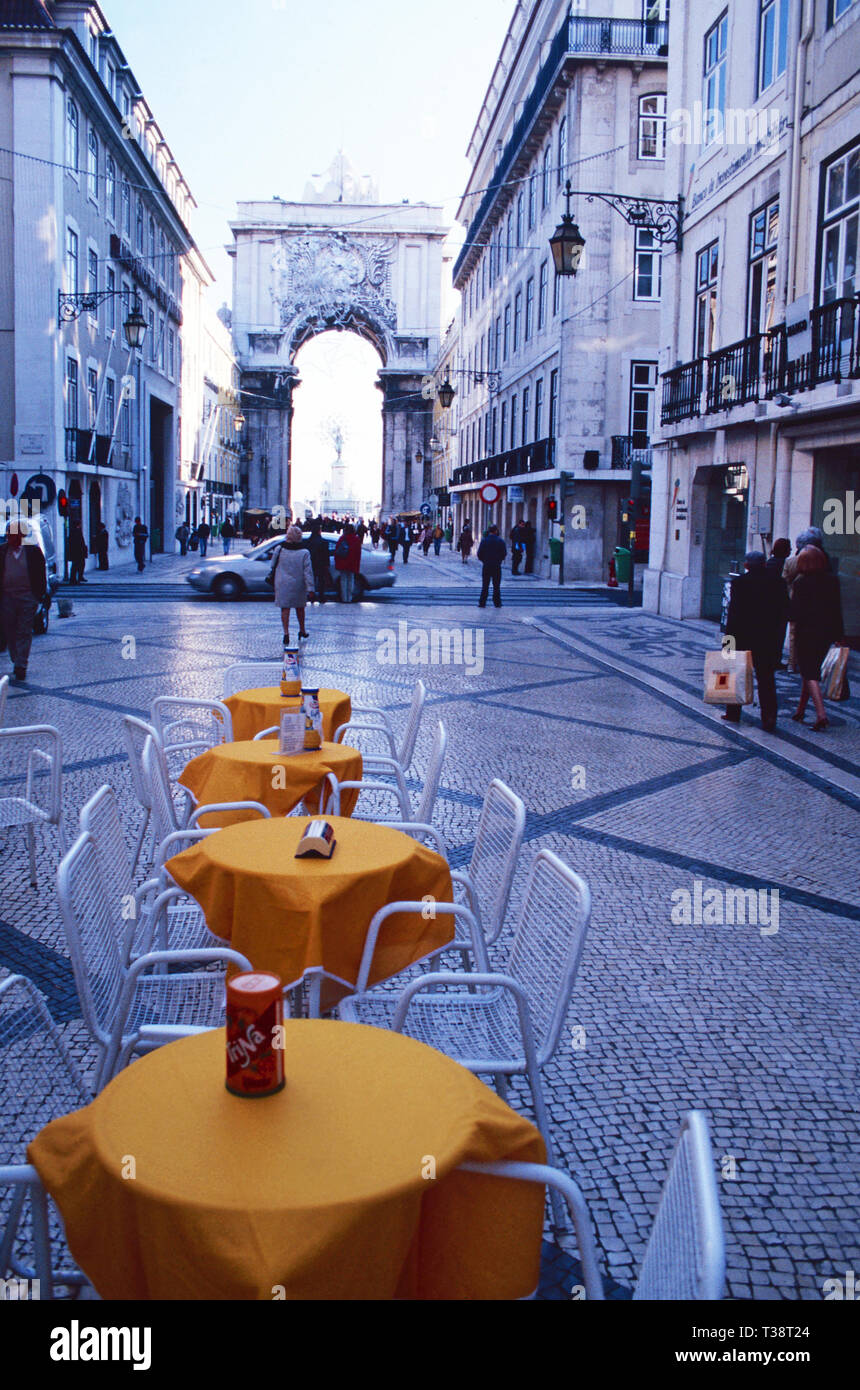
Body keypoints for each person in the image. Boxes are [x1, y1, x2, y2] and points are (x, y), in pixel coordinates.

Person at [724, 551, 789, 732]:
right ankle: (769, 718)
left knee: (737, 675)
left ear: (746, 565)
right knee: (767, 680)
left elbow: (733, 616)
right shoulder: (778, 582)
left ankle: (733, 713)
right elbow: (785, 612)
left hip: (743, 638)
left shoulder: (739, 583)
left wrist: (728, 642)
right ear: (764, 564)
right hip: (768, 640)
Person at [789, 545, 845, 732]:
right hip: (826, 632)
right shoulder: (832, 580)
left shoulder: (800, 582)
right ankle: (800, 710)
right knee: (810, 670)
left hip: (807, 632)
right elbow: (837, 610)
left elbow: (795, 611)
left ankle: (821, 714)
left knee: (809, 672)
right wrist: (839, 636)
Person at [0, 519, 47, 682]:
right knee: (9, 630)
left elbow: (41, 574)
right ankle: (16, 657)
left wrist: (39, 595)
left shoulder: (33, 552)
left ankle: (21, 664)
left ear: (20, 535)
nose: (9, 538)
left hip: (27, 596)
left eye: (12, 535)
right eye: (8, 535)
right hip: (7, 597)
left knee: (24, 630)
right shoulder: (2, 551)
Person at [271, 525, 315, 644]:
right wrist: (310, 588)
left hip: (282, 583)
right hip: (298, 584)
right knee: (300, 608)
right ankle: (302, 630)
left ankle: (286, 633)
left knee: (285, 609)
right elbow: (308, 572)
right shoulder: (304, 552)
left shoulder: (279, 549)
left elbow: (272, 565)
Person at [767, 538, 791, 667]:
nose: (791, 550)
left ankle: (769, 658)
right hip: (780, 605)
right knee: (778, 634)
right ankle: (775, 659)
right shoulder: (784, 564)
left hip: (769, 604)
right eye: (789, 548)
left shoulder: (769, 562)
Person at [477, 524, 507, 609]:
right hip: (496, 566)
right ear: (496, 531)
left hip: (486, 565)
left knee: (485, 585)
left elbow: (479, 554)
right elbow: (504, 553)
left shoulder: (484, 541)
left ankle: (482, 602)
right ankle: (497, 602)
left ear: (489, 531)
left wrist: (484, 560)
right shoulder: (500, 541)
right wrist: (499, 560)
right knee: (496, 585)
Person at [334, 522, 362, 603]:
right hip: (352, 563)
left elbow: (337, 551)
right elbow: (358, 553)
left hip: (343, 562)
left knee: (343, 580)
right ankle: (349, 598)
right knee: (351, 580)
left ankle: (344, 598)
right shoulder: (356, 539)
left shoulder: (342, 538)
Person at [305, 521, 331, 604]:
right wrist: (327, 564)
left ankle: (311, 597)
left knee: (311, 581)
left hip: (311, 563)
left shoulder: (308, 542)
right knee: (321, 581)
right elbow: (326, 555)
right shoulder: (324, 542)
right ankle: (321, 597)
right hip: (321, 564)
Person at [68, 520, 88, 585]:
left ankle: (78, 577)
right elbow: (78, 543)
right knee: (76, 566)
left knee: (79, 565)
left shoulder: (76, 531)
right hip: (78, 552)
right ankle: (74, 579)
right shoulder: (75, 531)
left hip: (78, 552)